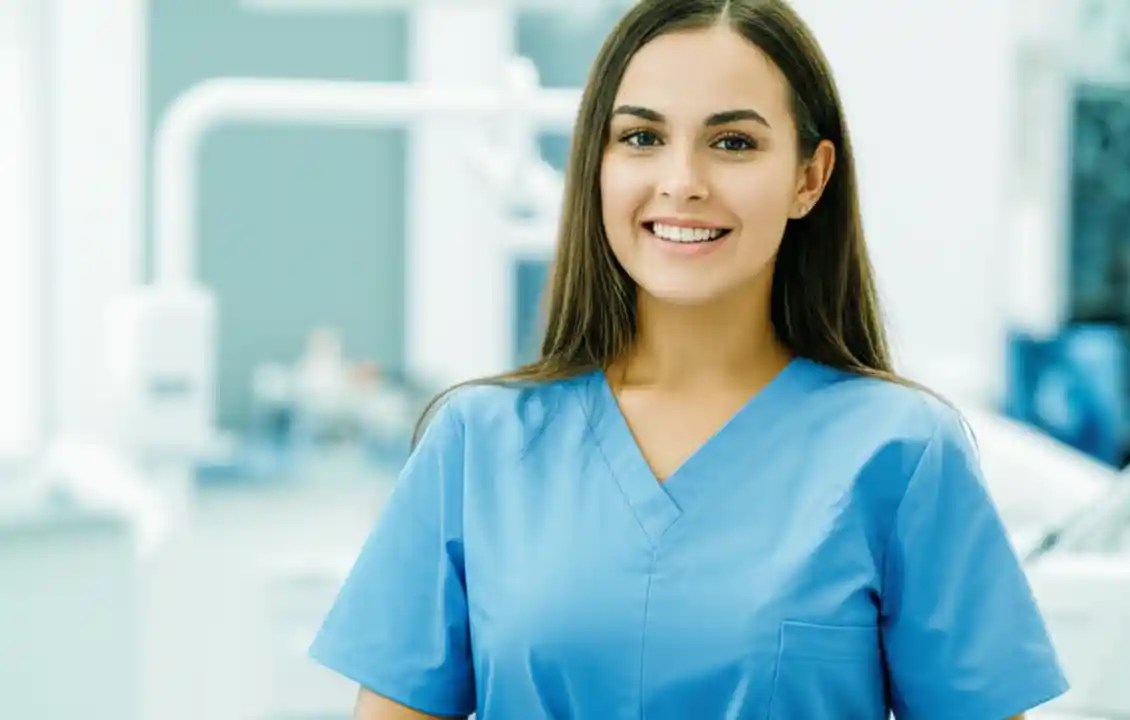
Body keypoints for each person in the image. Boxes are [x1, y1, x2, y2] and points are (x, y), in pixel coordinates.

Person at [308, 0, 1070, 718]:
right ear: (596, 164)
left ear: (809, 178)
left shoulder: (902, 455)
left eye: (733, 143)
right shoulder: (477, 444)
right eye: (641, 138)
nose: (681, 183)